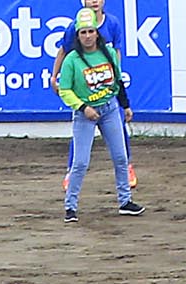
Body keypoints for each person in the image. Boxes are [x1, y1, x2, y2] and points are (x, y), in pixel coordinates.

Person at [56, 9, 137, 219]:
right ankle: (70, 207)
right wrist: (84, 108)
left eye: (91, 31)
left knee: (121, 157)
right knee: (80, 162)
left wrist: (125, 106)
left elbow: (117, 81)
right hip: (85, 114)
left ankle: (125, 201)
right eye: (83, 33)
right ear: (78, 35)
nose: (87, 36)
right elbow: (65, 90)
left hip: (109, 109)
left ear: (97, 33)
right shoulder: (71, 60)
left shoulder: (108, 54)